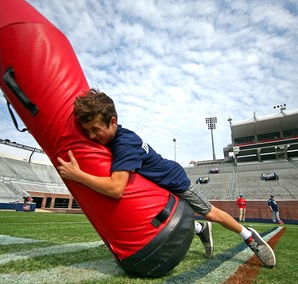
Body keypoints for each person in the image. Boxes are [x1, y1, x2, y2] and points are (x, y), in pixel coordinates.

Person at [56, 89, 275, 267]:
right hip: (155, 184)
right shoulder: (117, 138)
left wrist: (78, 175)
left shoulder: (124, 144)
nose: (93, 137)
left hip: (173, 181)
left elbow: (115, 189)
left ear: (113, 122)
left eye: (96, 130)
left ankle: (248, 235)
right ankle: (199, 229)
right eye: (88, 133)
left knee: (212, 214)